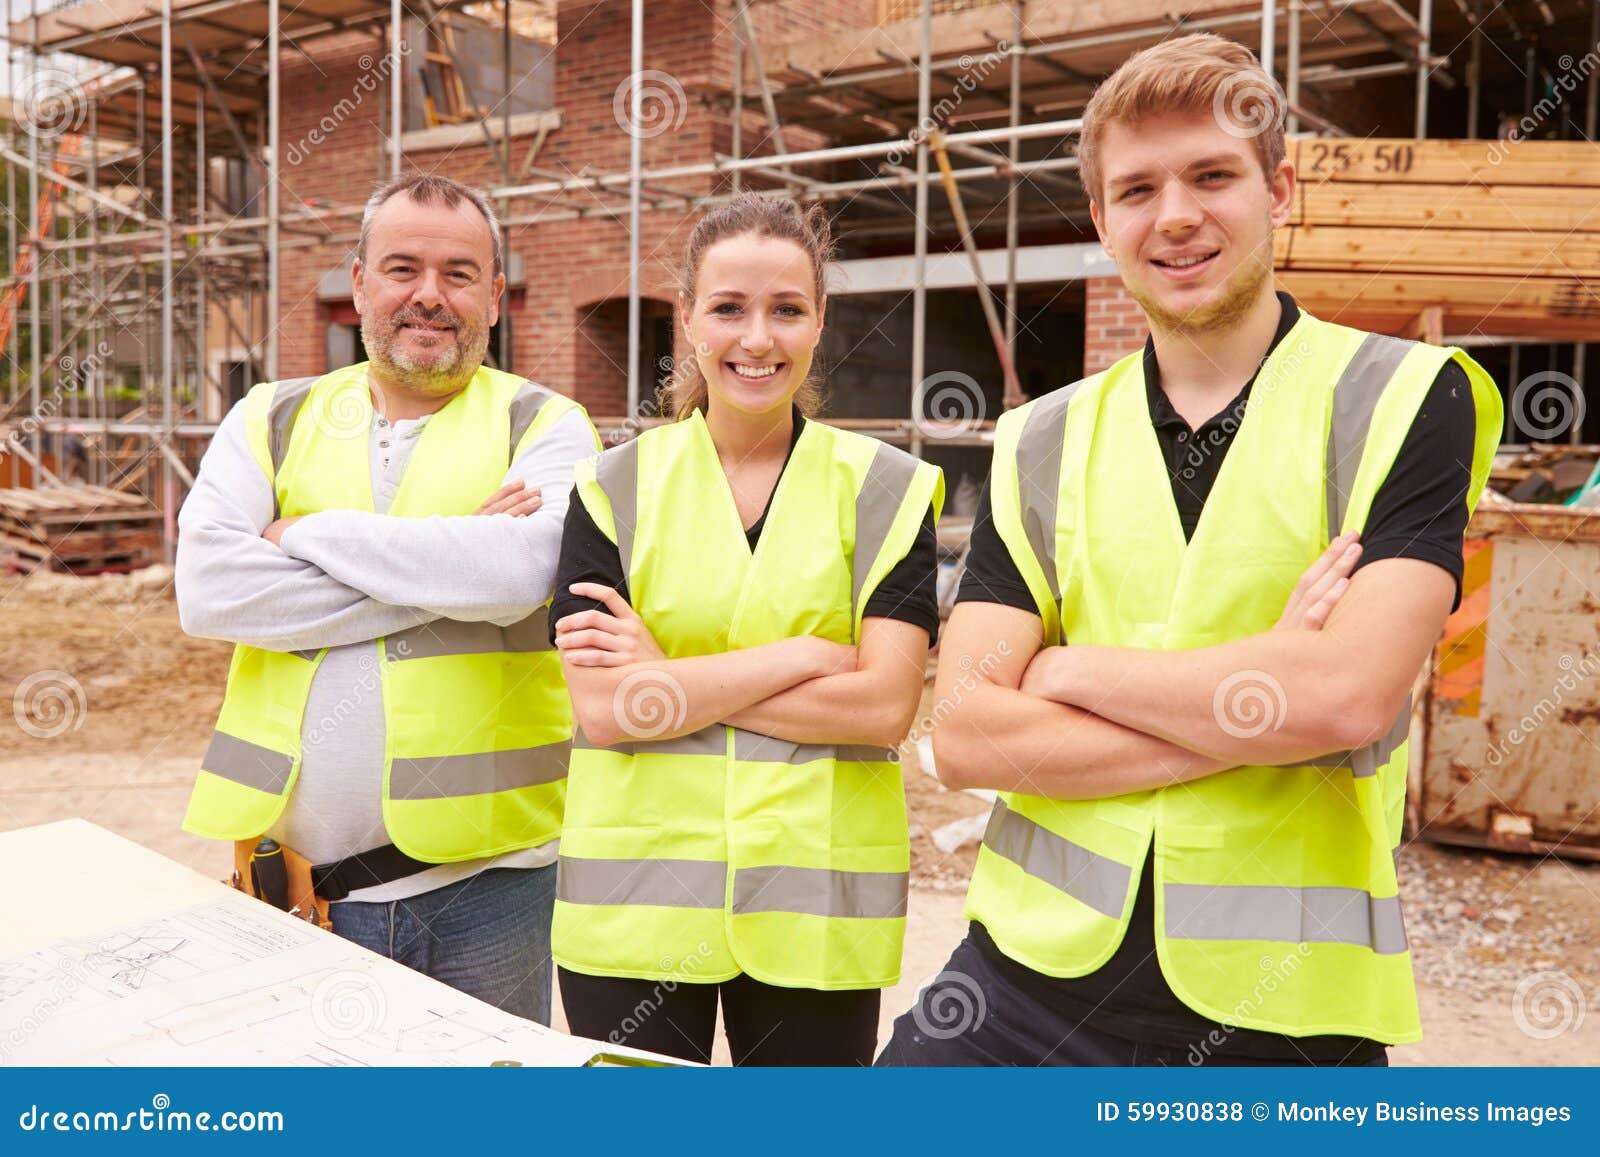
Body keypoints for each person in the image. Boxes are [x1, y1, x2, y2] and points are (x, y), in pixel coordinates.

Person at [878, 33, 1503, 1067]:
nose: (1174, 215)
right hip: (1020, 985)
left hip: (1283, 1010)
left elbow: (1346, 700)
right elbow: (970, 733)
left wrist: (1067, 668)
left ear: (1279, 189)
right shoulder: (1040, 435)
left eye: (1212, 175)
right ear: (1102, 223)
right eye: (1137, 189)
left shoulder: (1403, 396)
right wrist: (1266, 702)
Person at [176, 173, 599, 1024]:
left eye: (459, 273)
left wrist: (299, 534)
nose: (429, 296)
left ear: (495, 293)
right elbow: (209, 590)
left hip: (489, 890)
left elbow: (524, 576)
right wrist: (457, 568)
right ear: (360, 281)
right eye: (402, 268)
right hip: (293, 883)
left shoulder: (545, 424)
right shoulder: (272, 415)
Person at [547, 194, 943, 1065]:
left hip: (815, 922)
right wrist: (799, 657)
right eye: (728, 308)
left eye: (786, 310)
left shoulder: (886, 489)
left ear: (818, 321)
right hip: (633, 915)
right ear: (687, 318)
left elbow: (882, 707)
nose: (756, 339)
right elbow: (609, 711)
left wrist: (673, 678)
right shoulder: (610, 487)